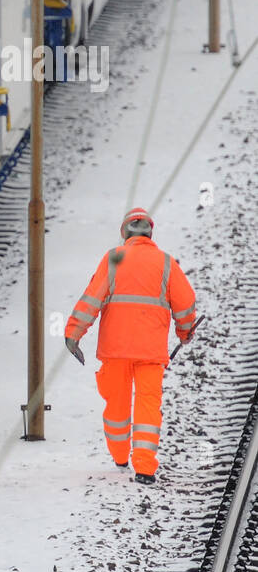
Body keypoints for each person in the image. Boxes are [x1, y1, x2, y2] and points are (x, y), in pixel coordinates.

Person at [64, 208, 197, 485]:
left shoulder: (114, 258)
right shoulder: (166, 263)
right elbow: (185, 303)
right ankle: (145, 468)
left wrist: (74, 333)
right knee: (148, 404)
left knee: (116, 403)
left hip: (115, 349)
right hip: (150, 351)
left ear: (124, 232)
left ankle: (120, 456)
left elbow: (92, 299)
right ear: (150, 233)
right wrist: (184, 332)